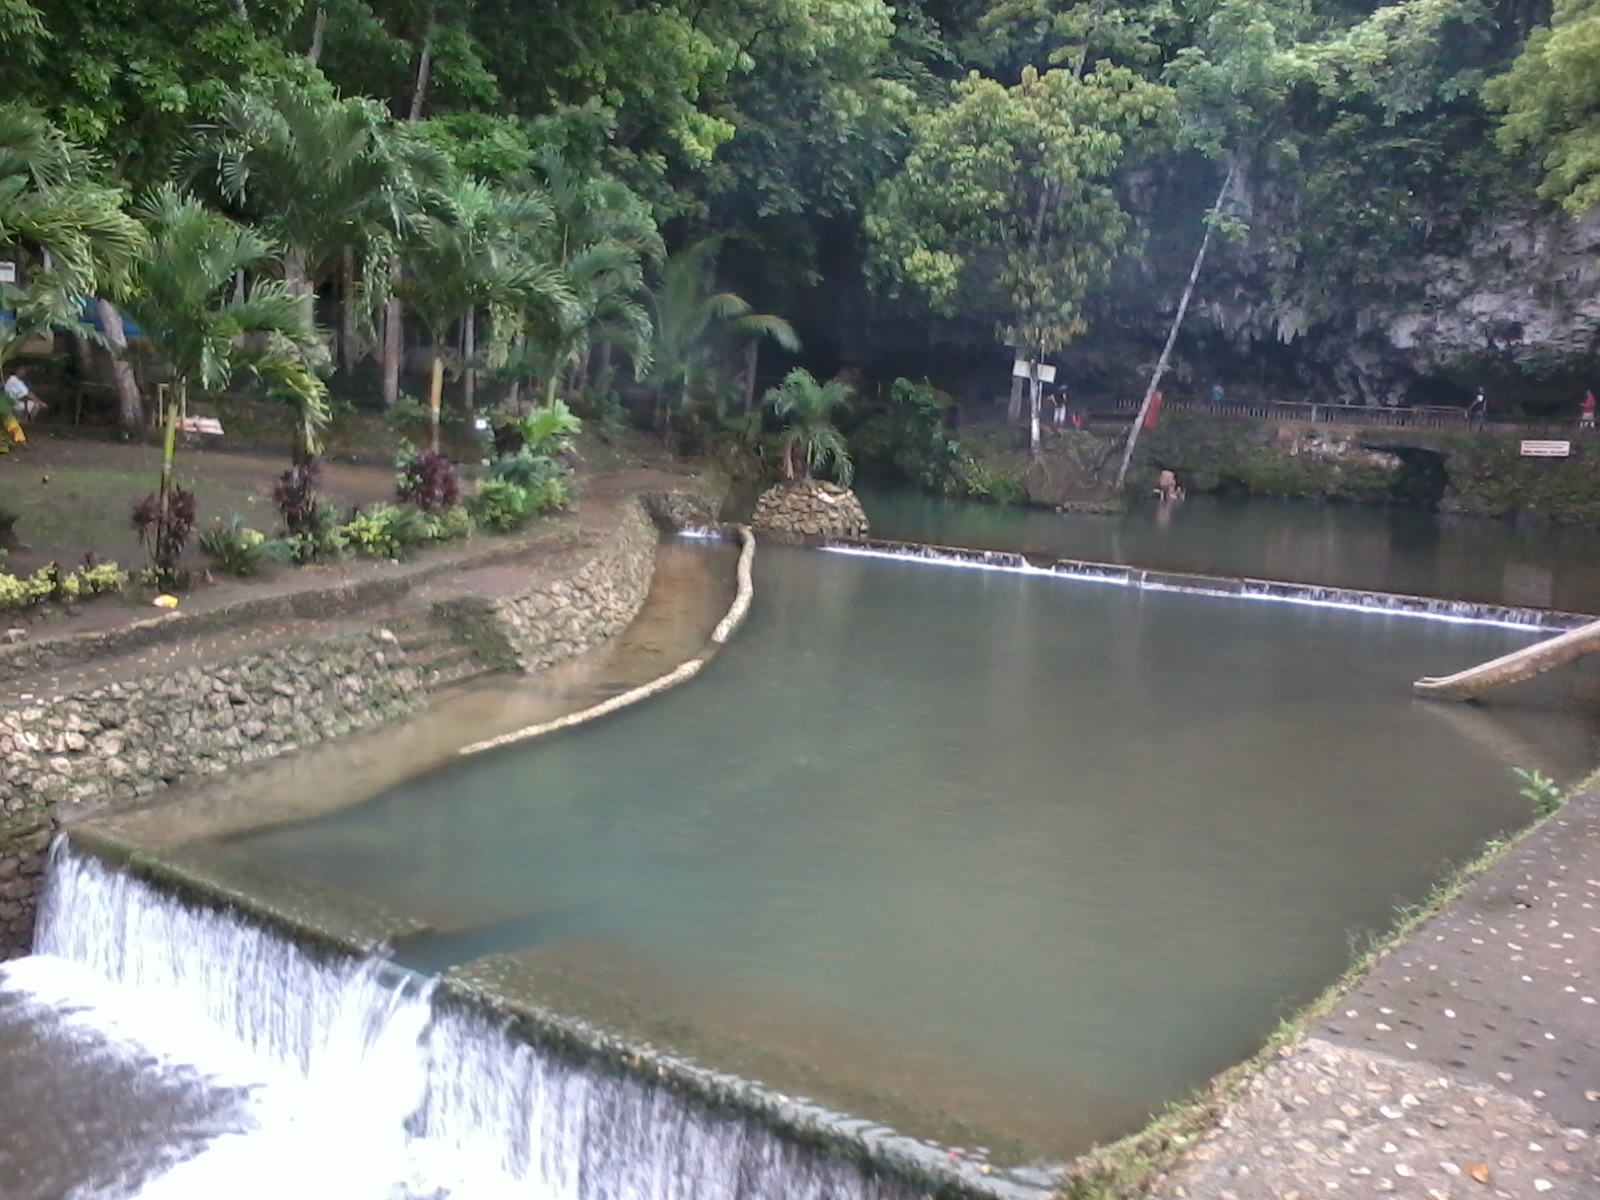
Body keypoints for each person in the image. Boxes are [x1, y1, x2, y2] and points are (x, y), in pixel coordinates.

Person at [1, 366, 43, 451]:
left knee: (11, 425)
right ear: (17, 370)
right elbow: (27, 393)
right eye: (23, 370)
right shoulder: (14, 380)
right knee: (36, 405)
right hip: (11, 404)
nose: (24, 372)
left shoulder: (13, 380)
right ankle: (29, 424)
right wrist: (40, 402)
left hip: (9, 403)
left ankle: (21, 435)